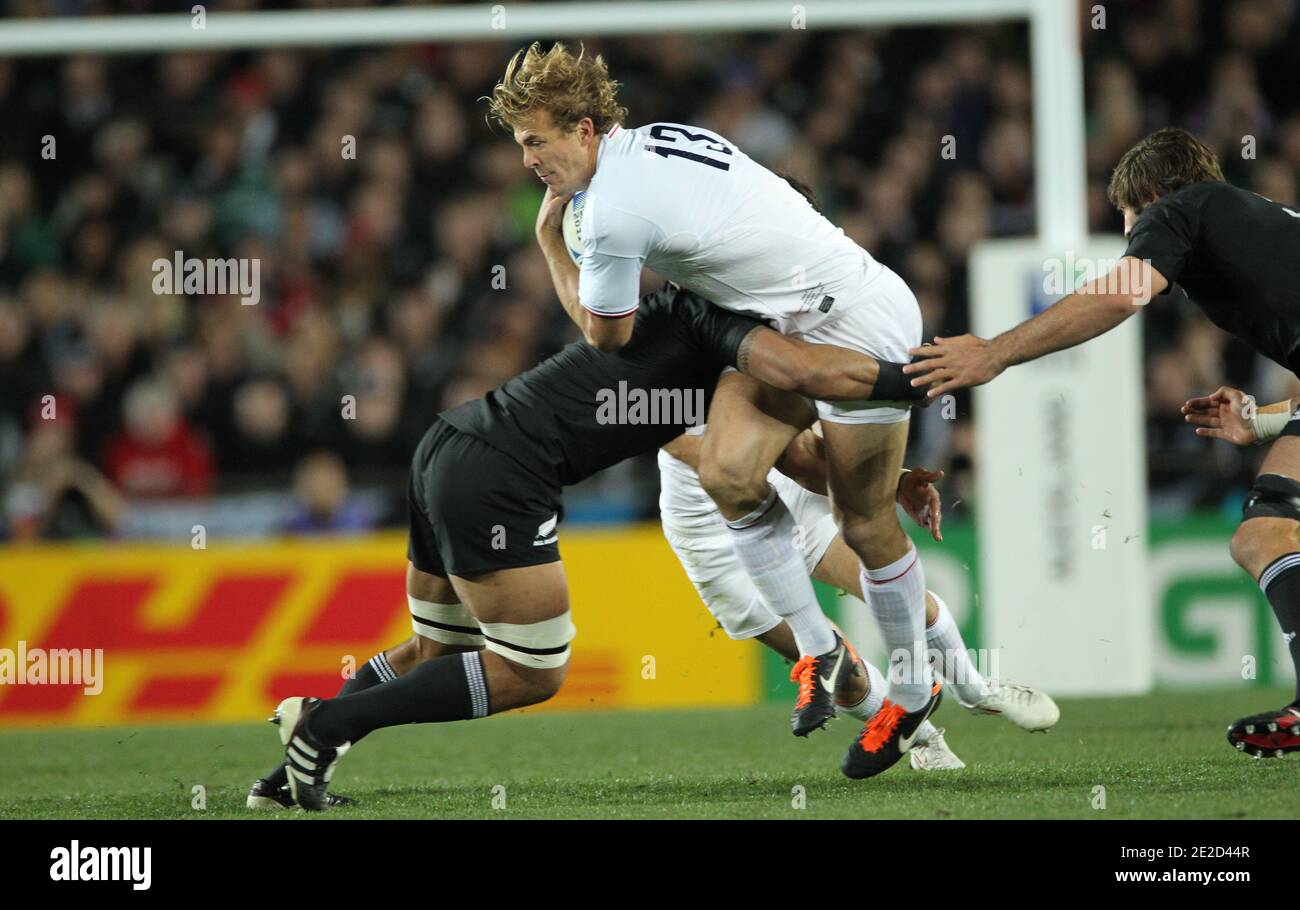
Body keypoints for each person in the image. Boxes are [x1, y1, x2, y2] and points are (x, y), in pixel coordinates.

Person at [488, 43, 959, 777]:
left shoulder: (611, 212)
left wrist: (551, 243)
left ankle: (910, 690)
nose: (527, 163)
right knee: (730, 475)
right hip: (773, 333)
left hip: (854, 319)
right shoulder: (660, 138)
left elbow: (606, 336)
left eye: (534, 142)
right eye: (520, 146)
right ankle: (819, 650)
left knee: (864, 523)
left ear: (582, 129)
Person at [262, 283, 916, 809]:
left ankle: (287, 775)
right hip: (502, 476)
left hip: (450, 444)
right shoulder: (721, 325)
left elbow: (788, 452)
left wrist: (890, 479)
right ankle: (325, 724)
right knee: (531, 670)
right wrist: (913, 378)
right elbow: (801, 371)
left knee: (438, 651)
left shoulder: (654, 310)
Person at [903, 127, 1300, 758]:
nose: (1127, 234)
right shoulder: (1257, 227)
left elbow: (1120, 297)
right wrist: (1267, 420)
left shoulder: (1184, 207)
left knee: (1268, 533)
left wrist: (996, 352)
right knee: (1267, 532)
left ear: (1153, 193)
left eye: (1127, 217)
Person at [658, 428, 1059, 777]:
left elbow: (802, 451)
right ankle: (923, 741)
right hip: (705, 530)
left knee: (896, 593)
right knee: (836, 671)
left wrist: (895, 480)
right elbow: (711, 458)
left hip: (784, 490)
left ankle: (972, 687)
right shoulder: (661, 366)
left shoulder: (751, 352)